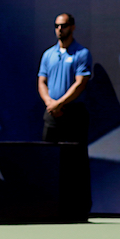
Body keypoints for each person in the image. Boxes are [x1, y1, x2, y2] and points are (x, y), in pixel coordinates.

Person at [38, 12, 91, 143]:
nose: (60, 29)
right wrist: (50, 103)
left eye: (64, 25)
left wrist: (59, 103)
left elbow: (80, 84)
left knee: (74, 159)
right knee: (48, 156)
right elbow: (42, 82)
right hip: (52, 113)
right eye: (57, 26)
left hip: (73, 114)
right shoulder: (48, 54)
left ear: (72, 27)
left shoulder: (82, 53)